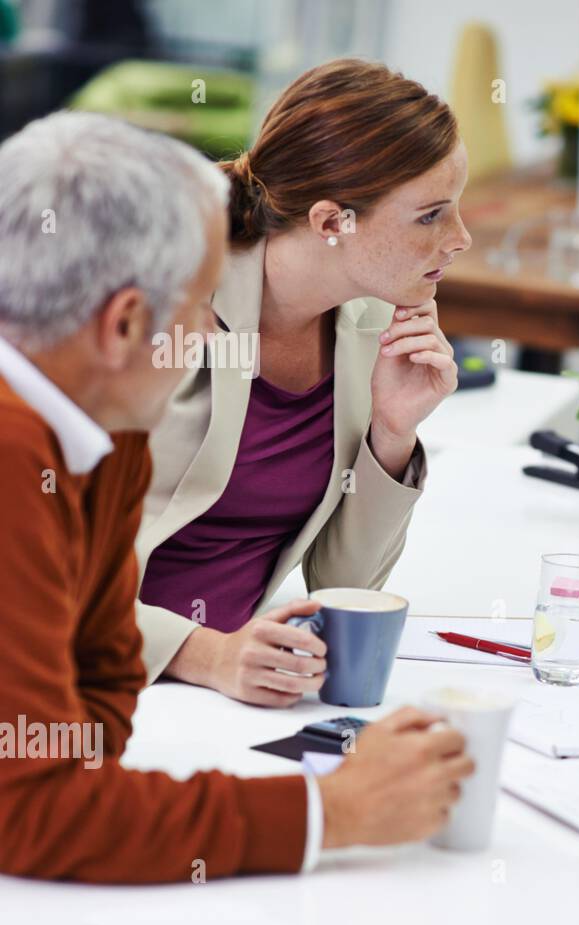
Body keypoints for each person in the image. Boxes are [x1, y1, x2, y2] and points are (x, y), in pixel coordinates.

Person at [0, 112, 472, 883]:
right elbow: (34, 814)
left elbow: (95, 707)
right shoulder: (16, 454)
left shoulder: (97, 433)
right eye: (197, 311)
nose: (217, 336)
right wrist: (334, 811)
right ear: (124, 325)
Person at [135, 58, 472, 707]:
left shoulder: (372, 314)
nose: (461, 239)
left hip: (236, 688)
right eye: (431, 215)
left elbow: (345, 586)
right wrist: (206, 655)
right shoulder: (159, 305)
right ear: (330, 223)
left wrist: (391, 435)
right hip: (95, 678)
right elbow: (34, 572)